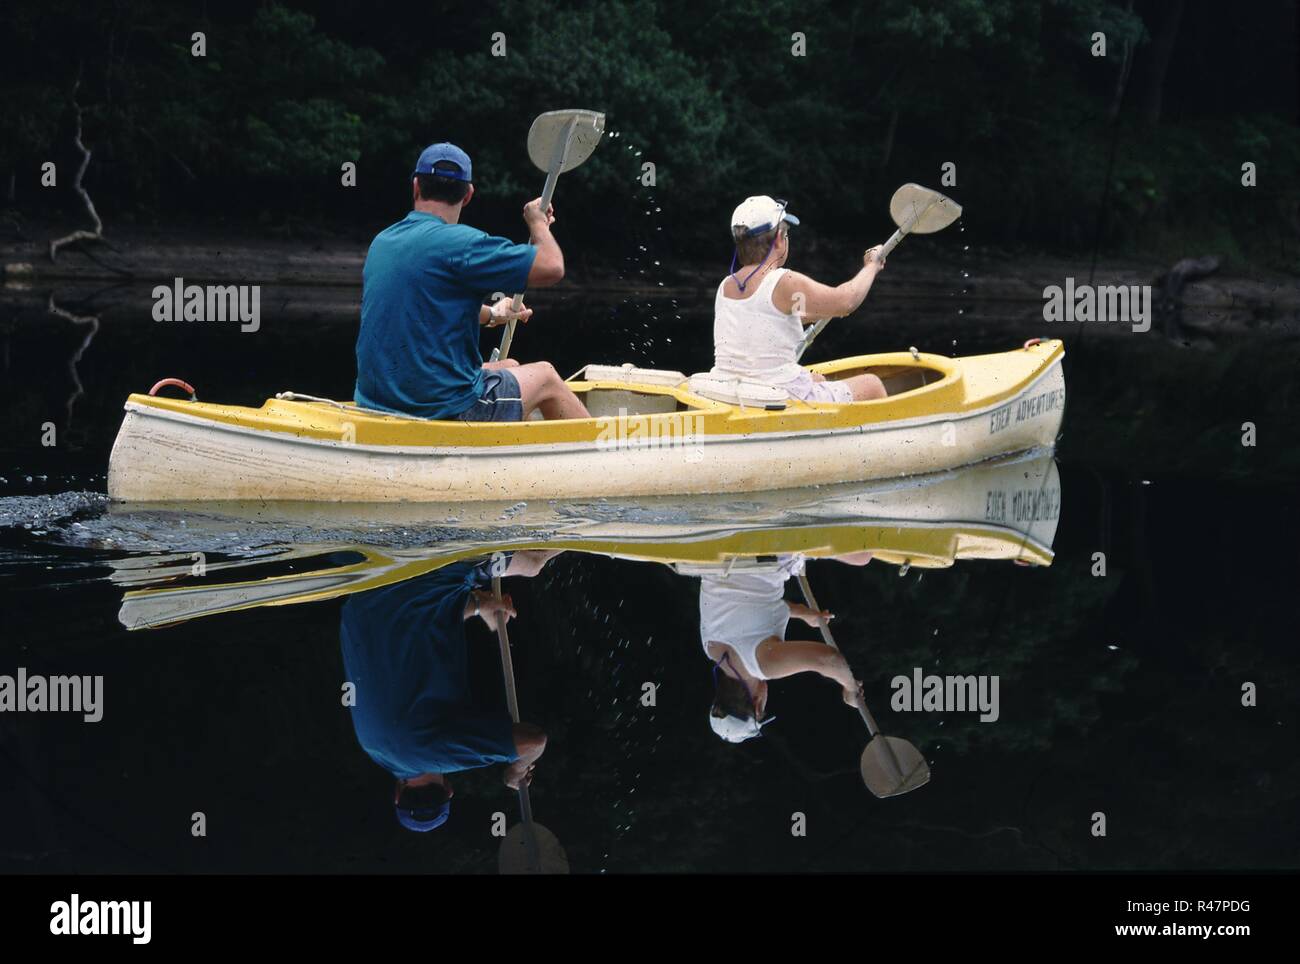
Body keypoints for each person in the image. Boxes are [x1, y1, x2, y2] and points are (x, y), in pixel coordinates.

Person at [354, 142, 589, 422]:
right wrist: (537, 223)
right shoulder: (462, 245)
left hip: (376, 401)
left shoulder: (383, 242)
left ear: (416, 187)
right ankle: (604, 460)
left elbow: (427, 302)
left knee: (509, 366)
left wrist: (493, 314)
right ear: (468, 195)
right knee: (547, 377)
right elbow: (552, 266)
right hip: (441, 408)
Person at [340, 550, 559, 831]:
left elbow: (533, 741)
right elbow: (412, 622)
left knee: (532, 563)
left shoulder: (434, 753)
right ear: (397, 793)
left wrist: (515, 772)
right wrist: (479, 607)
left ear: (449, 791)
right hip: (370, 576)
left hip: (427, 570)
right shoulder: (374, 746)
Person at [712, 195, 889, 403]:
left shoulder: (726, 286)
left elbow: (767, 317)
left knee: (817, 378)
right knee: (872, 384)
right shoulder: (785, 281)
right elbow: (845, 301)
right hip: (777, 394)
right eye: (787, 234)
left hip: (729, 388)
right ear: (779, 238)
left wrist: (818, 311)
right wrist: (872, 266)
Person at [698, 551, 874, 743]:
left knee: (861, 557)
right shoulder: (711, 646)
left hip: (765, 550)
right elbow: (755, 602)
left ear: (758, 706)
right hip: (728, 553)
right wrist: (805, 613)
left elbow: (829, 659)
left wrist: (849, 689)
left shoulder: (762, 665)